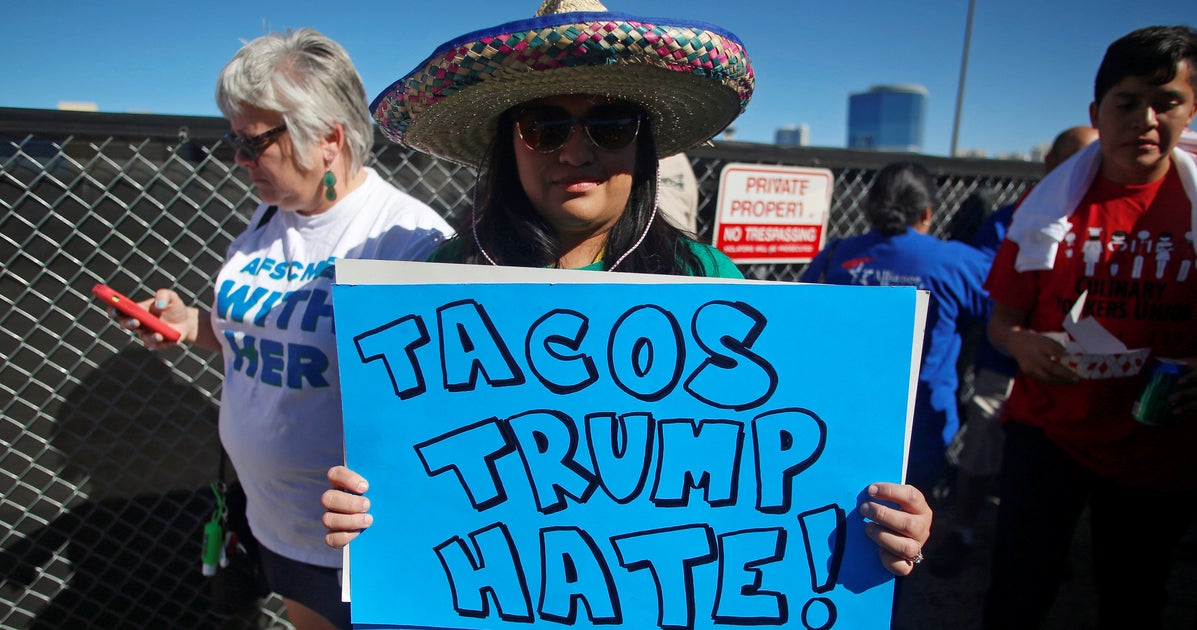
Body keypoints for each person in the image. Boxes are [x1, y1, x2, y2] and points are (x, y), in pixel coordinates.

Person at [322, 0, 932, 578]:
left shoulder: (707, 280)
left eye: (610, 125)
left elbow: (786, 468)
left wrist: (885, 524)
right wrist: (364, 508)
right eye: (544, 127)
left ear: (643, 148)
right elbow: (409, 467)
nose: (576, 149)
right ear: (510, 144)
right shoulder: (441, 280)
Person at [113, 29, 453, 630]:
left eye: (254, 142)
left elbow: (438, 413)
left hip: (357, 538)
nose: (239, 160)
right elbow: (261, 340)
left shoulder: (408, 242)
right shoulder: (271, 216)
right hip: (273, 520)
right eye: (234, 140)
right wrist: (191, 324)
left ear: (327, 139)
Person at [982, 25, 1197, 629]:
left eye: (1166, 101)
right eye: (1126, 103)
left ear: (1191, 109)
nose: (1146, 119)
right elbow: (1002, 321)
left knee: (1133, 593)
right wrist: (1022, 344)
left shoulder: (1192, 202)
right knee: (1020, 586)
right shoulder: (1047, 210)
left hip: (1159, 445)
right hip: (1048, 432)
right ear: (1097, 112)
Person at [931, 126, 1098, 577]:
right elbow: (988, 294)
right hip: (1005, 365)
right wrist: (1022, 335)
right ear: (1050, 164)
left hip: (1087, 373)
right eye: (1077, 159)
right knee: (981, 451)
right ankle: (963, 531)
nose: (1088, 168)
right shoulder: (1013, 219)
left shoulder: (1106, 220)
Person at [800, 162, 992, 495]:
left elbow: (802, 317)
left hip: (838, 412)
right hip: (918, 422)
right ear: (928, 213)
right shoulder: (954, 262)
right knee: (908, 520)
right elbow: (1003, 312)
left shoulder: (835, 255)